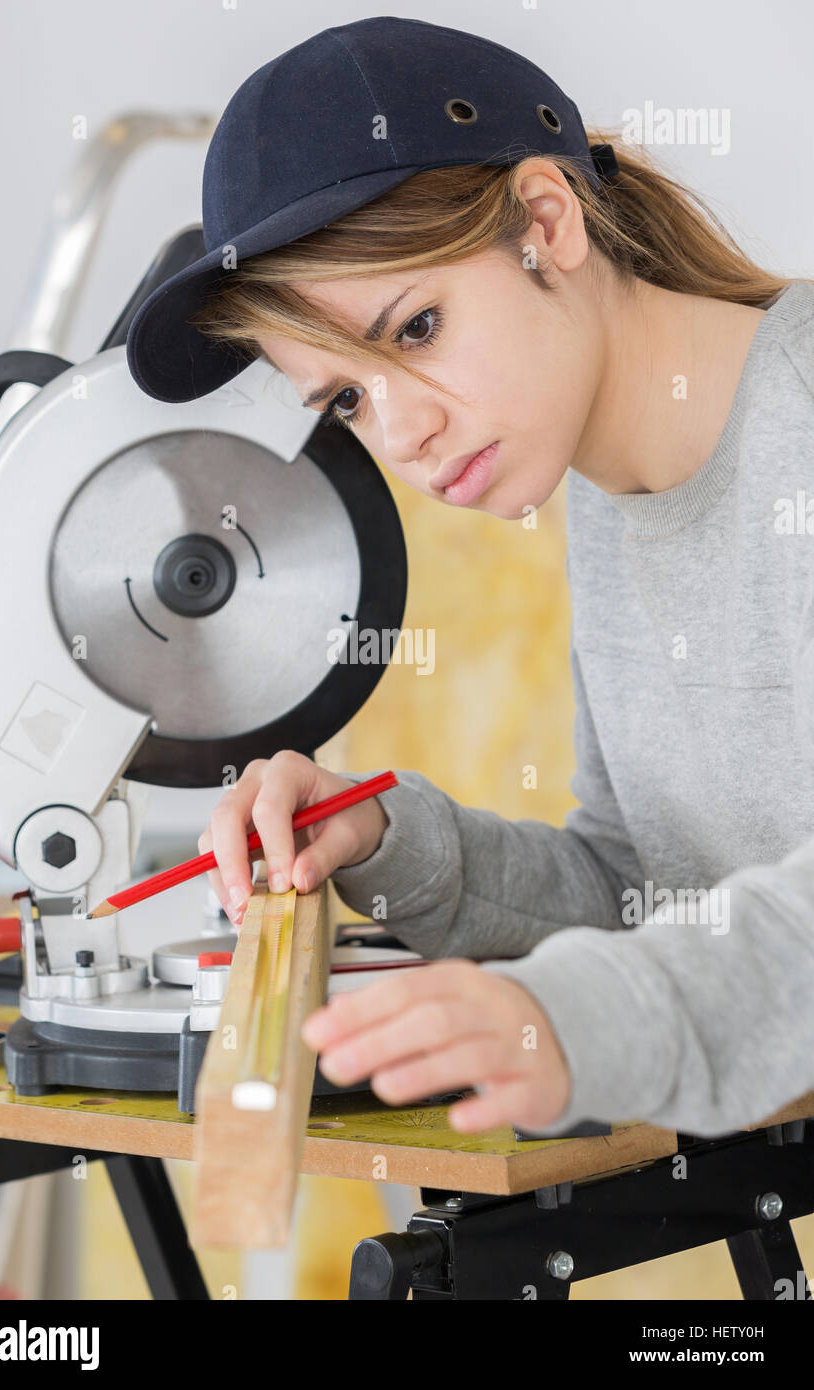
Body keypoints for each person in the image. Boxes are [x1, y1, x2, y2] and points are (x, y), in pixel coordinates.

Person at [126, 16, 814, 1139]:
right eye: (346, 398)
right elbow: (643, 883)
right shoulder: (599, 482)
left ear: (547, 222)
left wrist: (572, 1019)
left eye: (417, 329)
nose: (402, 433)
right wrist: (385, 836)